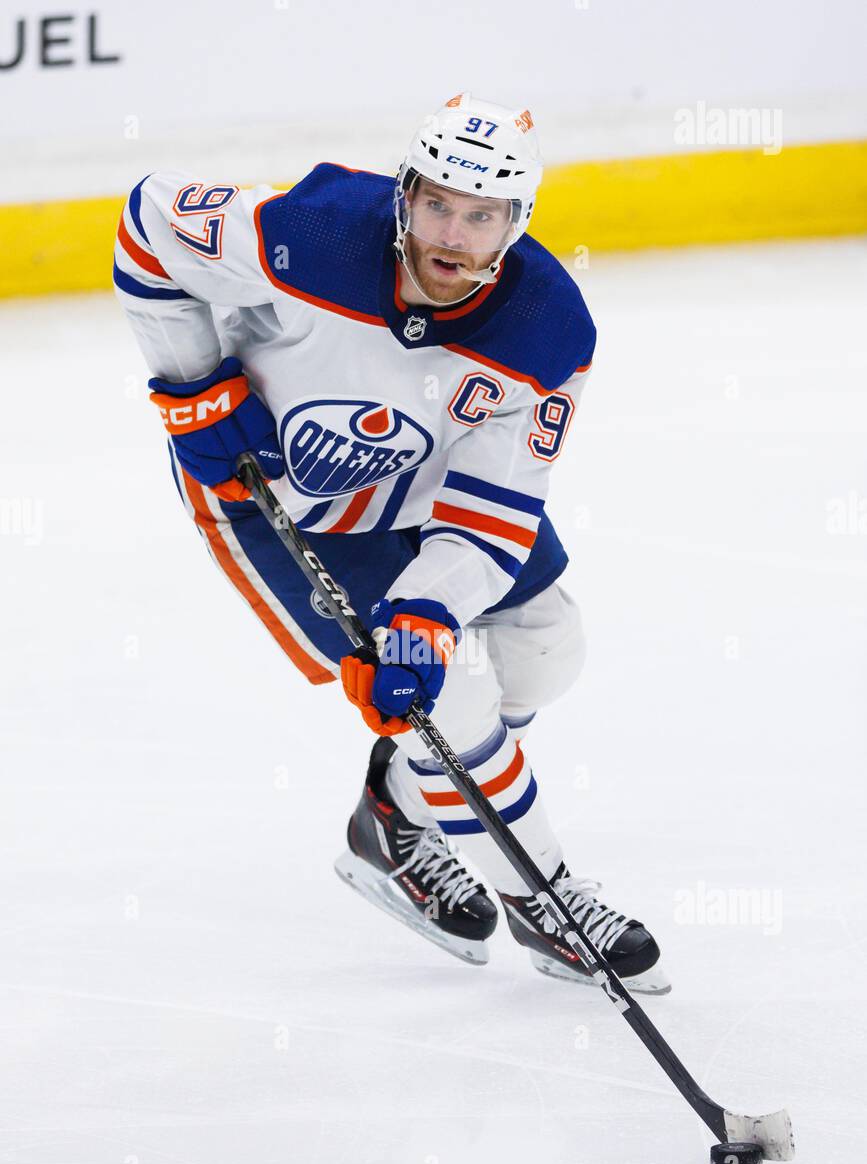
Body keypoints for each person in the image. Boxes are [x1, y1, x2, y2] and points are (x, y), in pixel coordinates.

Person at [114, 93, 667, 991]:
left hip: (428, 487)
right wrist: (190, 387)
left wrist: (424, 609)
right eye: (438, 203)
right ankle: (547, 900)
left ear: (517, 223)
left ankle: (399, 810)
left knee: (543, 649)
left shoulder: (544, 331)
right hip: (281, 502)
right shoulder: (313, 233)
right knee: (454, 701)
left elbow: (493, 504)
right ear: (404, 193)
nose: (454, 235)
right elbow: (149, 222)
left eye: (482, 216)